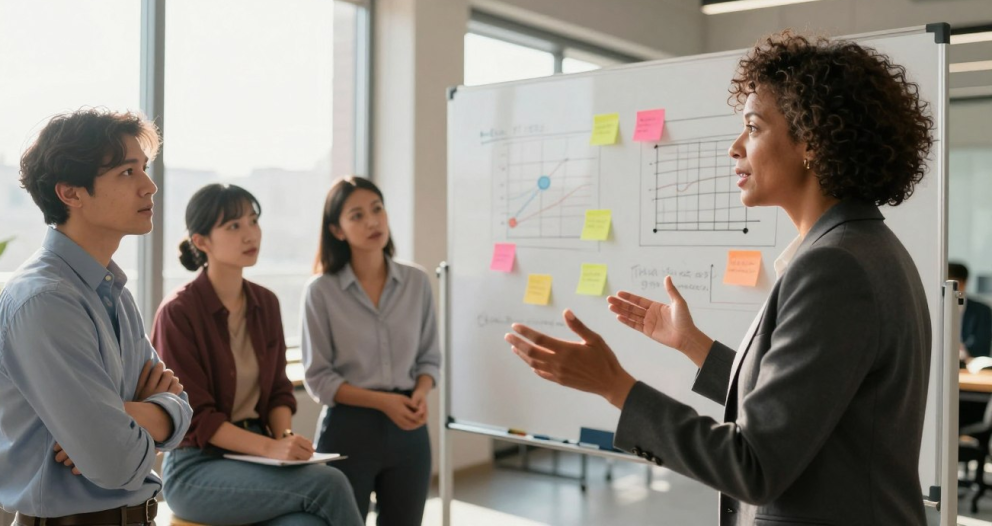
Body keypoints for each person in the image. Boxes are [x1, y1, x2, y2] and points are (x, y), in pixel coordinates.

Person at [505, 31, 935, 526]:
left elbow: (754, 464)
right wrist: (694, 346)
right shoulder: (861, 246)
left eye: (752, 128)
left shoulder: (834, 267)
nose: (735, 147)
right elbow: (802, 402)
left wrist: (614, 385)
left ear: (811, 140)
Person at [0, 109, 193, 525]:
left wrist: (127, 415)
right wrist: (137, 418)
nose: (149, 187)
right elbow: (114, 461)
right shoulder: (44, 302)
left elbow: (183, 409)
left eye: (144, 169)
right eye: (127, 173)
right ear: (71, 193)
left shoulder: (112, 291)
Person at [150, 184, 360, 526]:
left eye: (253, 220)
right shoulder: (179, 311)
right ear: (201, 241)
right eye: (234, 226)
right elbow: (197, 417)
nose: (250, 234)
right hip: (196, 467)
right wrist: (272, 450)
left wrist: (285, 440)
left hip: (258, 458)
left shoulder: (266, 303)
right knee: (329, 483)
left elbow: (278, 389)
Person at [301, 176, 441, 525]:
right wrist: (384, 402)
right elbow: (319, 378)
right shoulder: (320, 291)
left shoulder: (417, 281)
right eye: (357, 215)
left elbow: (430, 358)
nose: (373, 221)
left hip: (410, 429)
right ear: (337, 229)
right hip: (349, 431)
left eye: (377, 209)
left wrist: (420, 393)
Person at [949, 261, 992, 360]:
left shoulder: (982, 311)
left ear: (963, 283)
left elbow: (982, 347)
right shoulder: (936, 309)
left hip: (969, 364)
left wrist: (961, 350)